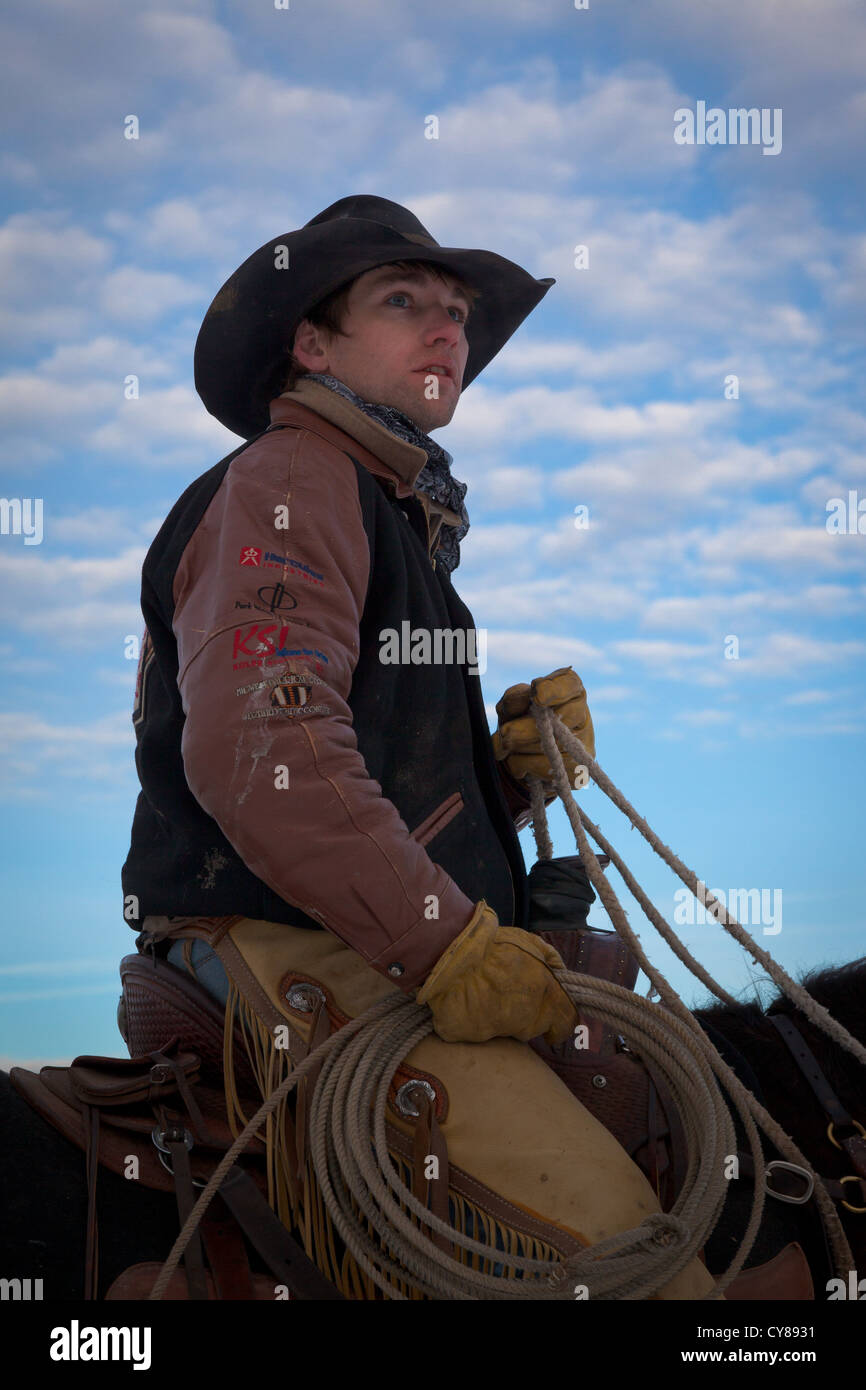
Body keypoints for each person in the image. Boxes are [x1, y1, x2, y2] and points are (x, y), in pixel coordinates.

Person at [120, 195, 716, 1299]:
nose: (447, 330)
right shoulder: (295, 480)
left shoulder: (385, 508)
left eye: (456, 314)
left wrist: (505, 781)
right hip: (290, 937)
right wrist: (445, 947)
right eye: (405, 304)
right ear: (310, 343)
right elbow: (268, 753)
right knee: (633, 1261)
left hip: (345, 926)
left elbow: (352, 771)